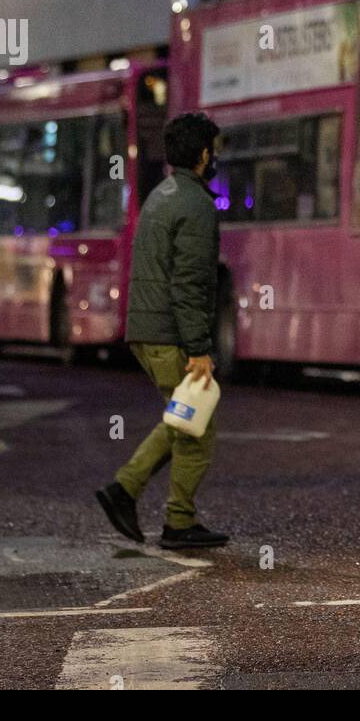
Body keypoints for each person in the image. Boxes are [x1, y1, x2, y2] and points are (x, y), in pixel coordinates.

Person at [95, 112, 229, 550]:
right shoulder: (196, 205)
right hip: (170, 335)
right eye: (215, 148)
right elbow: (189, 284)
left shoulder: (161, 195)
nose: (217, 157)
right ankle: (170, 517)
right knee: (194, 428)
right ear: (203, 153)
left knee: (180, 420)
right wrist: (199, 347)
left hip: (146, 329)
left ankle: (131, 497)